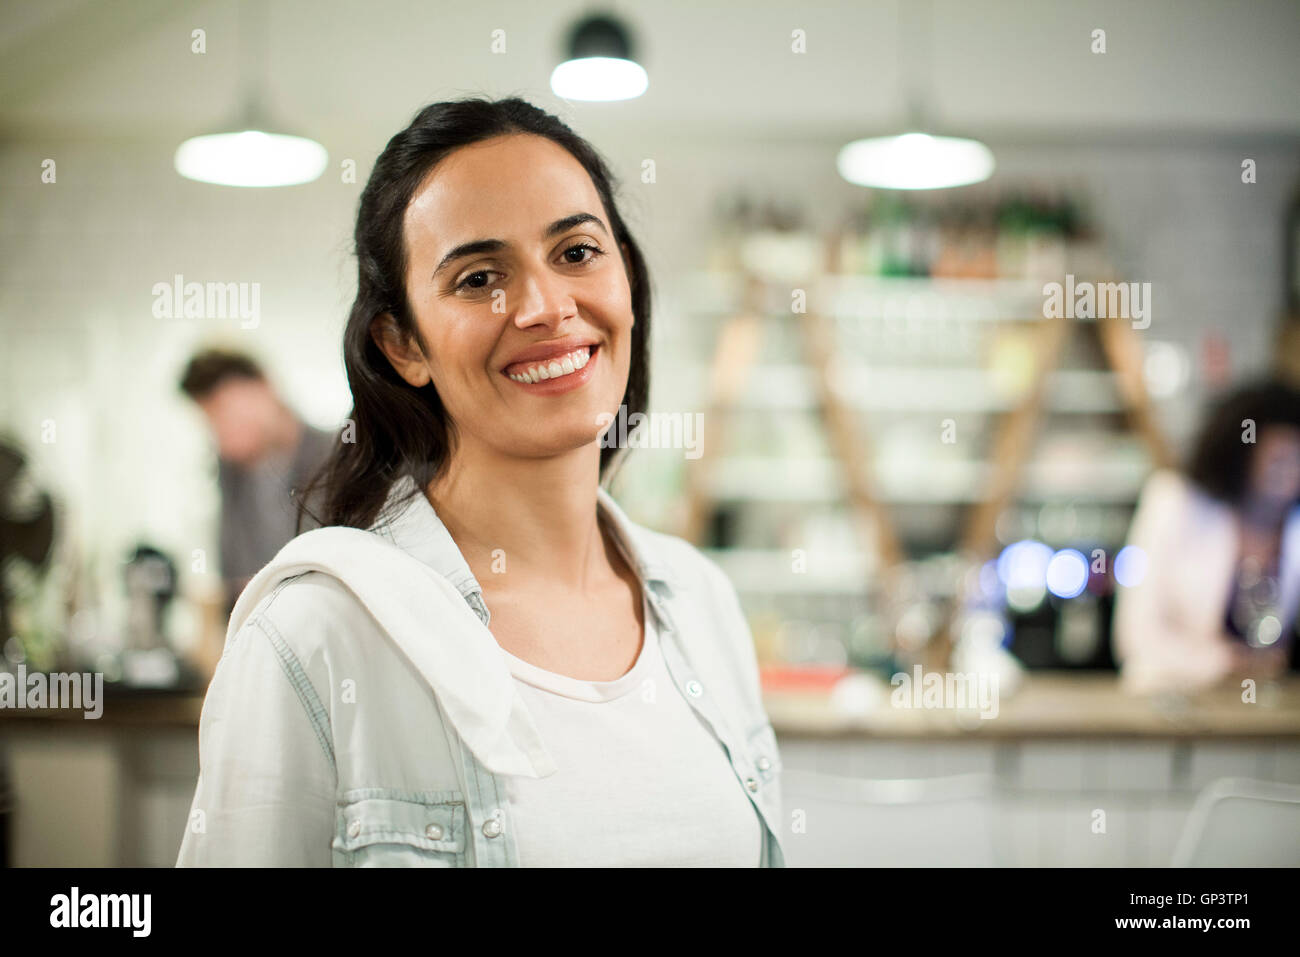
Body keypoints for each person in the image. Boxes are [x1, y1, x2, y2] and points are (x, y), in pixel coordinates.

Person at [176, 97, 785, 867]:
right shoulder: (316, 637)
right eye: (479, 277)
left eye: (576, 253)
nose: (546, 307)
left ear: (625, 275)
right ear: (401, 345)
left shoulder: (704, 606)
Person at [1112, 379, 1300, 694]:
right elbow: (1134, 634)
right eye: (1278, 461)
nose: (1290, 475)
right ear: (1241, 455)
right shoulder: (1174, 504)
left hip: (1262, 712)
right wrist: (1227, 661)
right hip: (1172, 703)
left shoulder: (1293, 525)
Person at [179, 349, 335, 615]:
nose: (222, 435)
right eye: (210, 422)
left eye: (226, 413)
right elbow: (233, 578)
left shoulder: (336, 457)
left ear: (265, 387)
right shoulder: (232, 474)